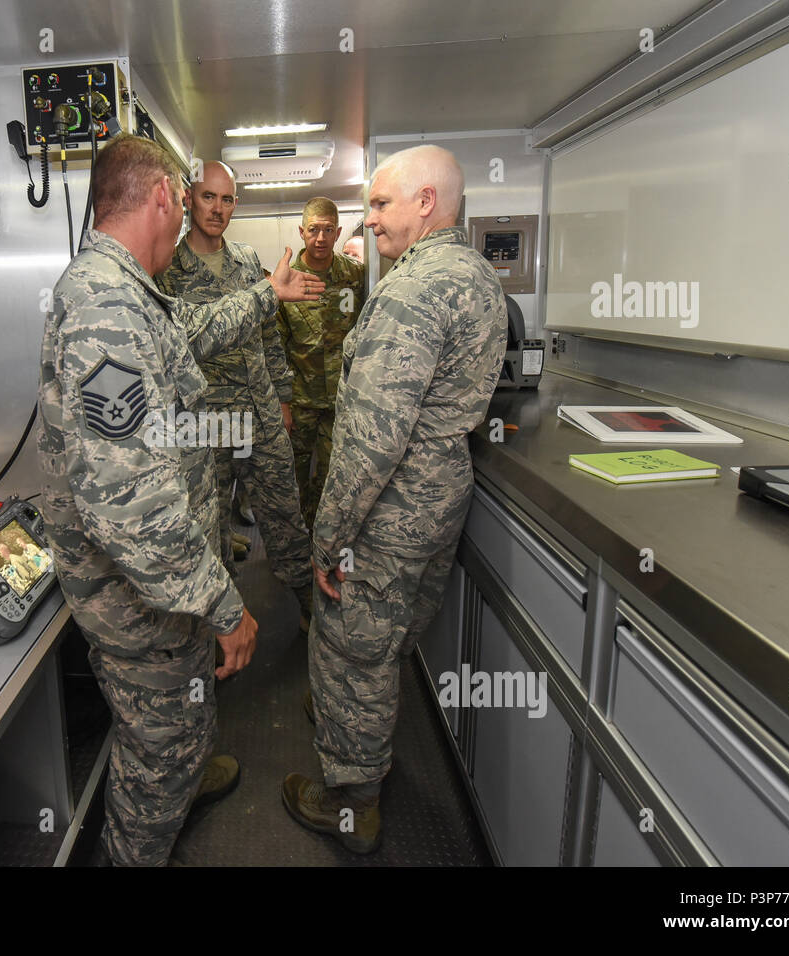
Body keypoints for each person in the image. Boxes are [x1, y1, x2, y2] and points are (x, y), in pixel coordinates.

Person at [37, 134, 270, 867]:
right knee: (156, 755)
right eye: (186, 202)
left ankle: (186, 776)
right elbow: (131, 507)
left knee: (182, 731)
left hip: (164, 595)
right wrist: (224, 604)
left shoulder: (130, 292)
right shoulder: (107, 307)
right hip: (143, 603)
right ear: (166, 197)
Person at [283, 145, 508, 853]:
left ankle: (349, 800)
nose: (367, 219)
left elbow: (372, 438)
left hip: (389, 510)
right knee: (388, 637)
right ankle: (357, 725)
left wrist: (329, 540)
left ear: (426, 203)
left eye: (381, 204)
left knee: (351, 647)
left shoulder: (413, 290)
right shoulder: (475, 274)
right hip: (440, 496)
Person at [155, 160, 315, 632]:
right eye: (209, 197)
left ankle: (312, 610)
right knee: (210, 530)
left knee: (286, 516)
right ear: (188, 198)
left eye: (227, 199)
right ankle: (220, 632)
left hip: (260, 414)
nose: (218, 209)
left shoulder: (247, 261)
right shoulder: (167, 271)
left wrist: (283, 398)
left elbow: (269, 337)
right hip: (207, 424)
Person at [276, 197, 366, 529]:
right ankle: (294, 542)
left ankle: (320, 539)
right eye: (313, 230)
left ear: (338, 231)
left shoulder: (354, 275)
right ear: (302, 231)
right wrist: (283, 403)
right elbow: (277, 348)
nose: (320, 238)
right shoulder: (287, 280)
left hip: (340, 399)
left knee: (332, 476)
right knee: (292, 475)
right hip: (300, 399)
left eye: (328, 230)